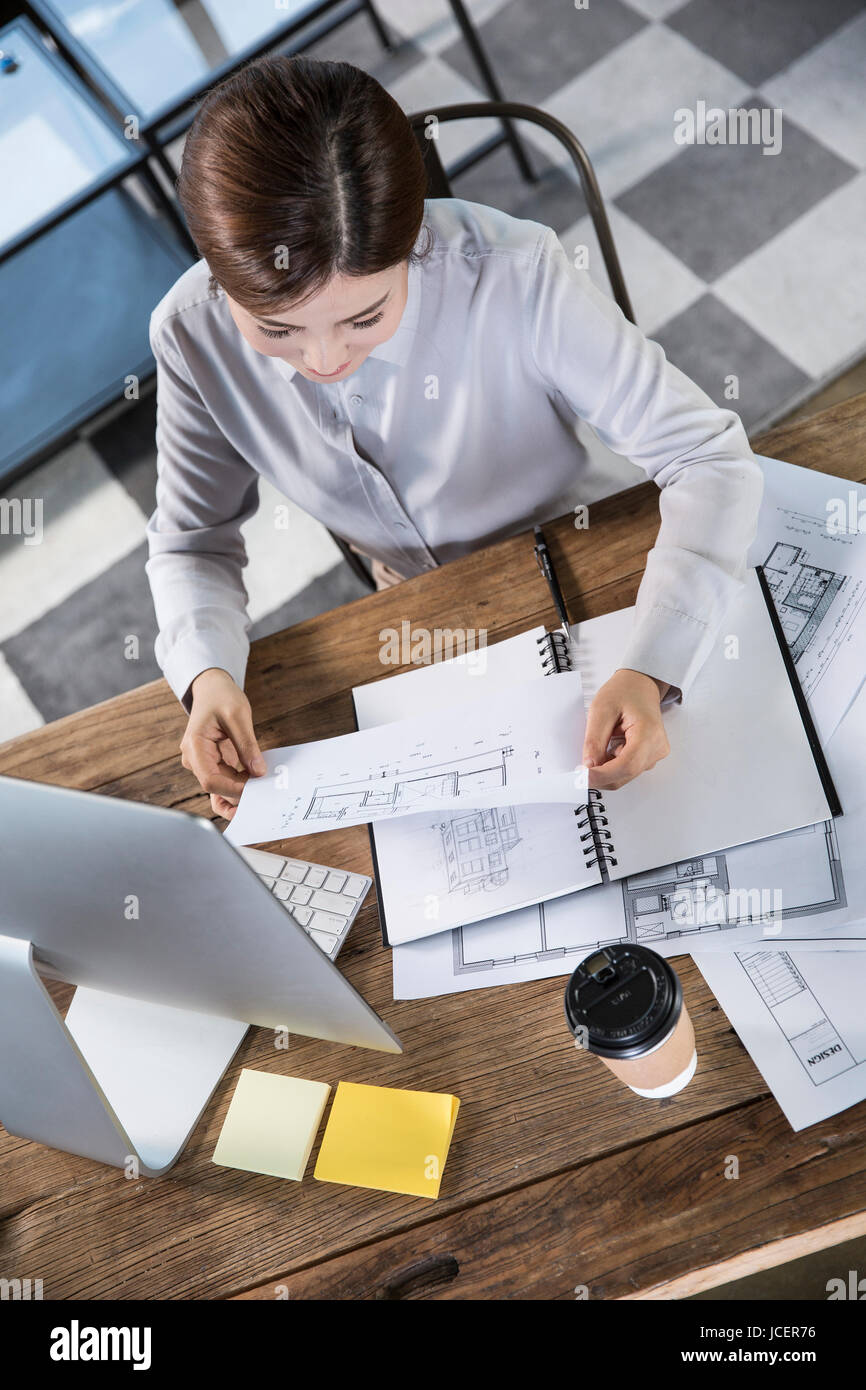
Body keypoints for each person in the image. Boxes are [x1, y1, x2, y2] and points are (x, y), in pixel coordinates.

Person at [146, 55, 763, 822]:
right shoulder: (188, 332)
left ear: (411, 245)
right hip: (411, 603)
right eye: (276, 329)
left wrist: (657, 663)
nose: (326, 361)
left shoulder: (514, 272)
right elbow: (192, 541)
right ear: (216, 273)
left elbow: (707, 458)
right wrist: (207, 676)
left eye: (365, 318)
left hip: (589, 549)